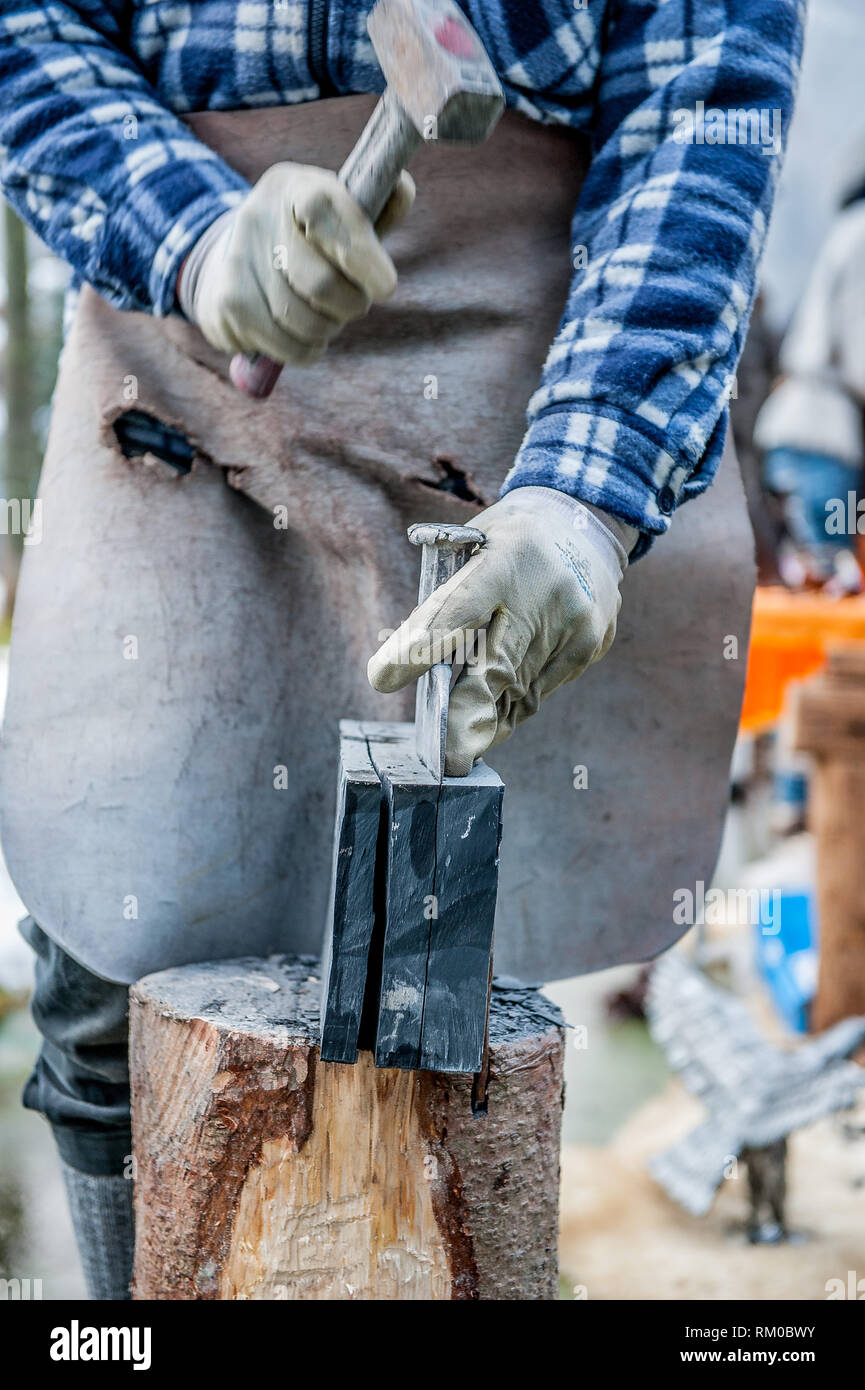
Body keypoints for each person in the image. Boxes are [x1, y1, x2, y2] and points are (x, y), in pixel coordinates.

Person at [0, 1, 803, 1299]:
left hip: (533, 384)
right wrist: (189, 234)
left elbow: (705, 100)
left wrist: (588, 494)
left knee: (448, 1000)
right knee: (120, 985)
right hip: (182, 373)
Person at [755, 188, 865, 595]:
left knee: (818, 578)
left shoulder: (849, 230)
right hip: (819, 440)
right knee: (826, 581)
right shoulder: (862, 233)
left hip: (812, 438)